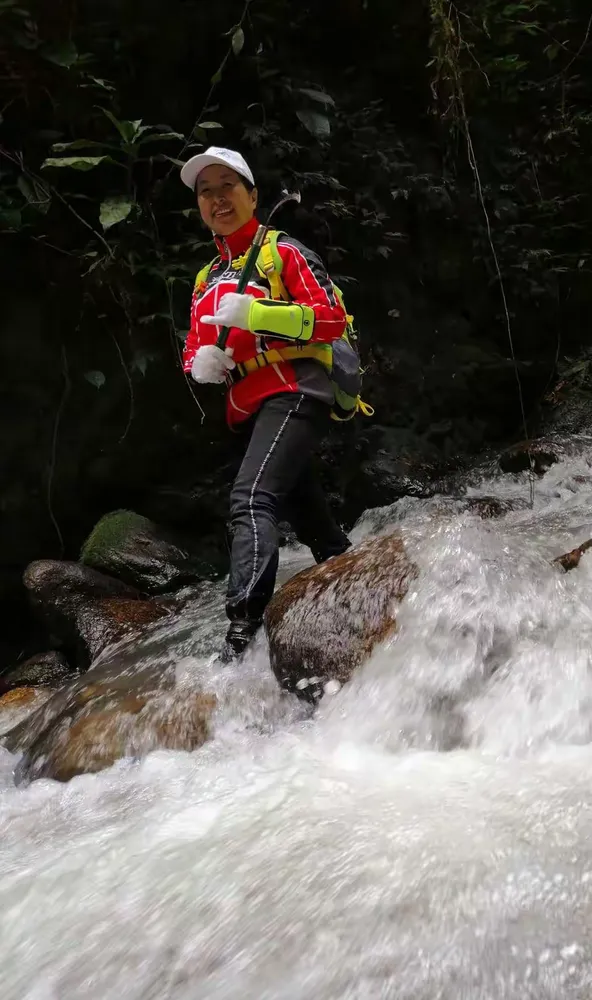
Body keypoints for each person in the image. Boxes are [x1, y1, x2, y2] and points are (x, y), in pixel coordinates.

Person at [180, 146, 351, 661]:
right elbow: (193, 342)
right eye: (205, 192)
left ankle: (242, 634)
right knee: (314, 523)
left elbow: (330, 319)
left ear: (251, 195)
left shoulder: (283, 253)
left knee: (251, 498)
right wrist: (199, 362)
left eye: (226, 186)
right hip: (248, 406)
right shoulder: (206, 277)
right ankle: (352, 577)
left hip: (296, 386)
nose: (216, 199)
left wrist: (260, 314)